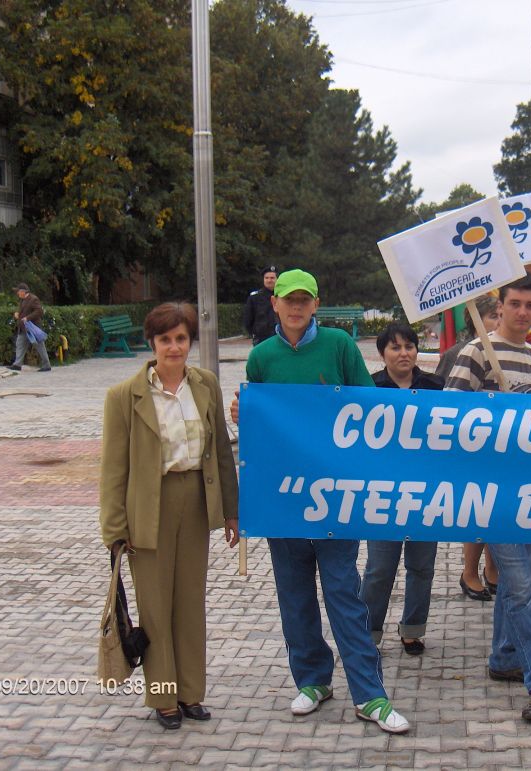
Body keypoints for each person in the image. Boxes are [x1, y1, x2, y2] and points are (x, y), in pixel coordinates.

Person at [232, 269, 410, 733]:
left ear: (316, 304)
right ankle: (312, 679)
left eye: (304, 300)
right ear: (274, 304)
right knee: (294, 598)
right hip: (282, 500)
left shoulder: (338, 346)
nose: (295, 307)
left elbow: (370, 412)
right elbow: (257, 433)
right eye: (288, 299)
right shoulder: (262, 357)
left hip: (335, 498)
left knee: (343, 596)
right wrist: (243, 411)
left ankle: (369, 695)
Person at [99, 302, 239, 729]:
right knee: (156, 606)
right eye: (165, 340)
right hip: (149, 507)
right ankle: (163, 696)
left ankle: (190, 693)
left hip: (195, 499)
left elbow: (220, 453)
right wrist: (115, 529)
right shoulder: (124, 396)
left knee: (190, 603)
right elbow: (114, 467)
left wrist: (231, 512)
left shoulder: (205, 384)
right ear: (152, 343)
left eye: (181, 339)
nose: (174, 347)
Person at [445, 272, 531, 722]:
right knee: (518, 589)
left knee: (521, 585)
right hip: (491, 492)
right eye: (514, 304)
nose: (522, 312)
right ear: (499, 306)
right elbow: (447, 417)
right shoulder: (475, 354)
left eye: (530, 305)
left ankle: (503, 657)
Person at [359, 322, 443, 655]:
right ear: (382, 354)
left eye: (409, 346)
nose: (404, 353)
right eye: (395, 347)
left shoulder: (436, 387)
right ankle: (368, 633)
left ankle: (413, 629)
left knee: (422, 566)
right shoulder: (369, 389)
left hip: (427, 493)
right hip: (383, 494)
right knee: (379, 569)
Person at [435, 295, 502, 600]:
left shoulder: (506, 352)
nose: (498, 323)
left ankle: (493, 570)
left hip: (502, 451)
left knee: (497, 512)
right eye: (492, 317)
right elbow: (443, 399)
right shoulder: (457, 353)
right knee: (477, 511)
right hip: (472, 449)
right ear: (476, 320)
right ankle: (469, 572)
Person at [7, 283, 51, 372]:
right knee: (19, 345)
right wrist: (18, 315)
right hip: (23, 328)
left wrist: (27, 318)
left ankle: (47, 365)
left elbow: (39, 311)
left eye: (18, 291)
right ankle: (17, 364)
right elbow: (24, 312)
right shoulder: (22, 300)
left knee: (39, 346)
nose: (17, 293)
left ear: (23, 292)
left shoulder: (33, 299)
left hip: (32, 328)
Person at [242, 265, 279, 345]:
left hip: (279, 338)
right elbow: (248, 319)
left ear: (277, 279)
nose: (269, 280)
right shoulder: (254, 297)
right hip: (261, 340)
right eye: (266, 278)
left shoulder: (282, 297)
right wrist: (255, 333)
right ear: (263, 279)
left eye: (272, 278)